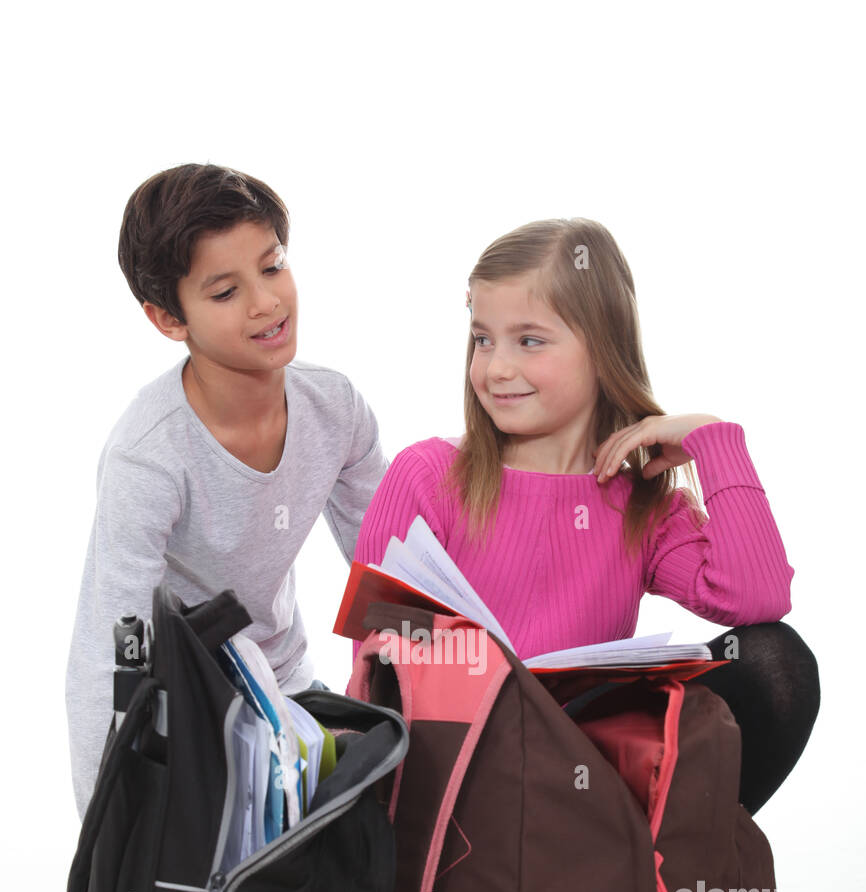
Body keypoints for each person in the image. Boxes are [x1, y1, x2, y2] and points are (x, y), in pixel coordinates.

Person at [351, 218, 819, 815]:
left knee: (777, 663)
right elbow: (378, 666)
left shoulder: (642, 505)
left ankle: (641, 869)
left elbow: (758, 600)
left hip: (581, 778)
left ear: (602, 348)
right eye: (482, 339)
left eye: (530, 340)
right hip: (461, 767)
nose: (495, 368)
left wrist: (713, 443)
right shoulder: (428, 476)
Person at [65, 163, 383, 819]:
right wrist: (113, 829)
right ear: (166, 318)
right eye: (224, 291)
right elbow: (111, 655)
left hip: (285, 688)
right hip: (185, 704)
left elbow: (386, 570)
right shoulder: (148, 456)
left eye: (272, 267)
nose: (266, 303)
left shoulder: (336, 408)